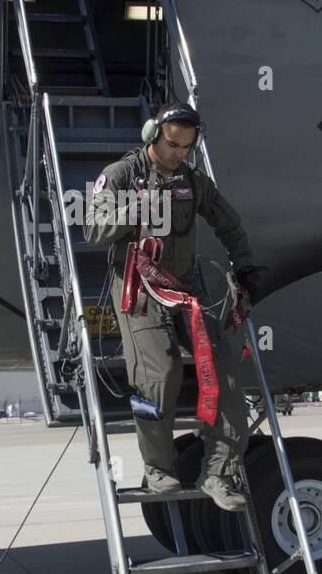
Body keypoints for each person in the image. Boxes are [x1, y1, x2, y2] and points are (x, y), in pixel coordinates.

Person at [83, 102, 266, 512]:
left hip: (187, 288)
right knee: (160, 372)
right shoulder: (120, 175)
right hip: (139, 288)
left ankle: (218, 472)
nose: (177, 153)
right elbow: (93, 228)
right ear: (152, 136)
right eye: (171, 144)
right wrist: (138, 209)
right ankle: (158, 469)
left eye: (186, 146)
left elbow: (230, 223)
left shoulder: (192, 181)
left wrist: (246, 265)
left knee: (222, 369)